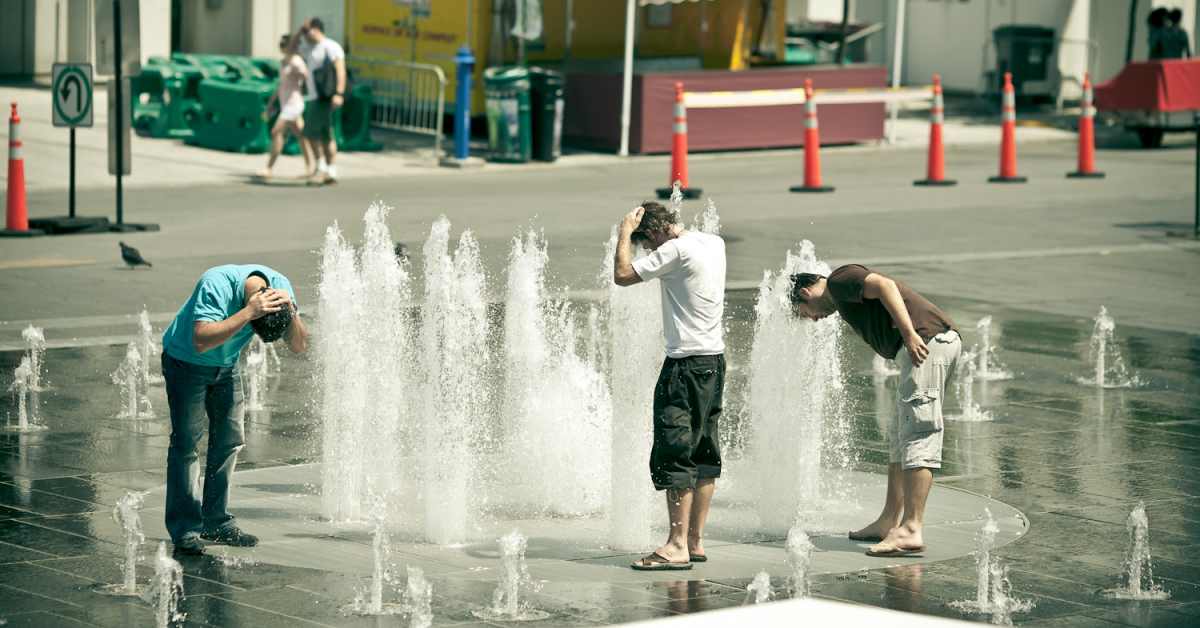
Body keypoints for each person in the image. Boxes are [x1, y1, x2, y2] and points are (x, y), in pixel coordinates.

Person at [789, 265, 960, 557]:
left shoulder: (839, 280)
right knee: (899, 436)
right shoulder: (842, 296)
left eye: (805, 313)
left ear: (805, 293)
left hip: (924, 343)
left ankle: (911, 528)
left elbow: (885, 286)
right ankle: (889, 520)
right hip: (924, 345)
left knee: (919, 434)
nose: (814, 320)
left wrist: (908, 334)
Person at [160, 265, 309, 555]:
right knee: (186, 444)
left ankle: (216, 523)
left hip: (226, 365)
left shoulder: (280, 286)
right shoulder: (215, 283)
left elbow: (299, 345)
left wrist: (291, 310)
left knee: (230, 441)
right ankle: (186, 530)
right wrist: (249, 313)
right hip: (185, 362)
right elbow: (201, 340)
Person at [613, 202, 727, 571]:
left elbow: (623, 275)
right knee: (704, 451)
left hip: (685, 366)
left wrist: (624, 233)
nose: (649, 251)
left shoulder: (675, 250)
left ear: (654, 232)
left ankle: (676, 545)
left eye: (646, 242)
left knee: (675, 448)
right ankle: (694, 541)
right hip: (714, 361)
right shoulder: (713, 242)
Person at [258, 31, 313, 179]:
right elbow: (281, 85)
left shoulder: (296, 61)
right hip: (285, 102)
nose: (282, 47)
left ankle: (269, 168)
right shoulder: (284, 62)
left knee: (276, 132)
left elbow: (307, 77)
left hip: (294, 104)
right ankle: (311, 167)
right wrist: (271, 103)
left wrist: (301, 78)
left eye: (285, 45)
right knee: (301, 135)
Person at [298, 17, 346, 185]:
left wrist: (339, 93)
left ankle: (323, 166)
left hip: (323, 97)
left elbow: (340, 70)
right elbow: (291, 48)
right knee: (325, 134)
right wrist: (300, 31)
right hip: (312, 96)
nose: (306, 34)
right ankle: (329, 169)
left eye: (308, 30)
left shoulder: (331, 46)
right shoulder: (309, 48)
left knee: (310, 133)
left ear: (316, 29)